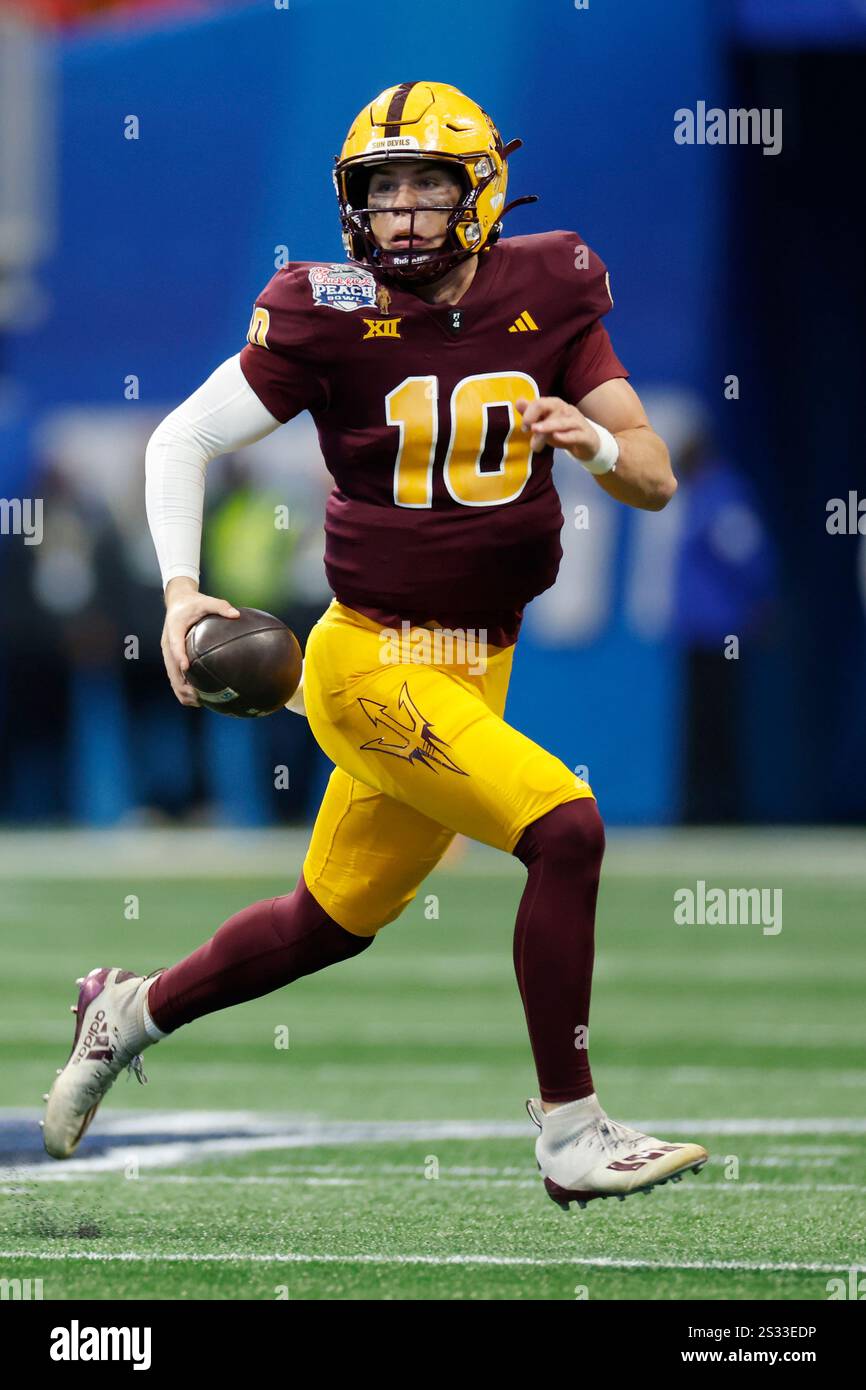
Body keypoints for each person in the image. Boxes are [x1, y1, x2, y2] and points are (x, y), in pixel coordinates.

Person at [43, 82, 707, 1209]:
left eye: (424, 186)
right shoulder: (324, 309)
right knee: (566, 829)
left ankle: (128, 1009)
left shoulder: (551, 285)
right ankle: (569, 1130)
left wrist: (589, 435)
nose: (400, 213)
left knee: (325, 924)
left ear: (479, 191)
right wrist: (180, 593)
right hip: (366, 660)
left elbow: (650, 475)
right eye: (379, 189)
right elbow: (182, 438)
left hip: (476, 662)